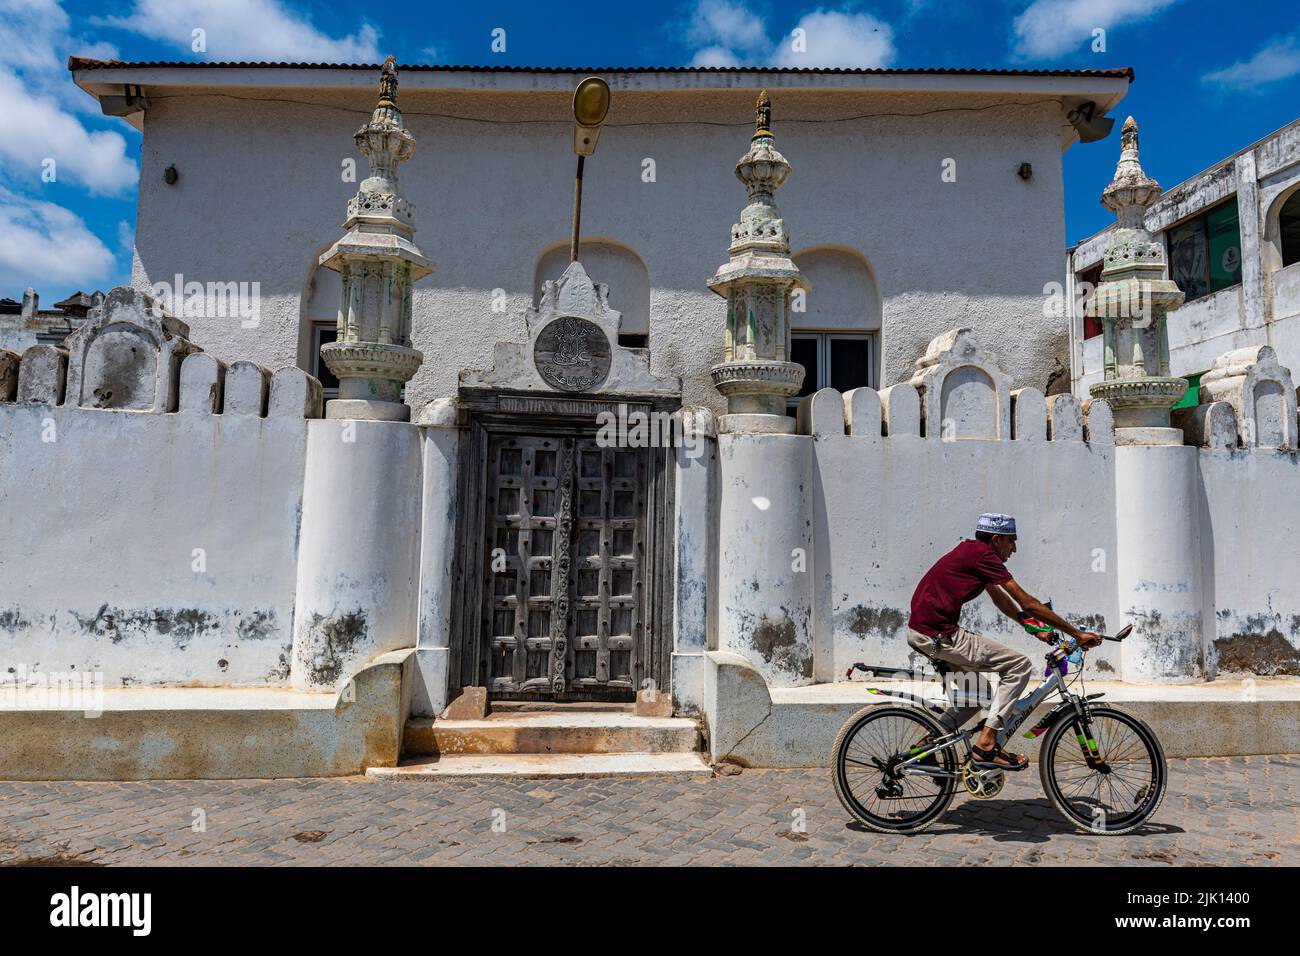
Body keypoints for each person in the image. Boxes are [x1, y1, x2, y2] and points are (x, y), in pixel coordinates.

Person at [906, 513, 1102, 770]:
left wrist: (1034, 630)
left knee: (975, 698)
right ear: (996, 539)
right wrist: (1076, 633)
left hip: (925, 632)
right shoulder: (983, 556)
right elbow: (1027, 602)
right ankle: (986, 745)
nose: (1015, 548)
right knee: (1019, 665)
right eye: (1012, 541)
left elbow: (1001, 601)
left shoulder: (973, 553)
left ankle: (926, 747)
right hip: (940, 635)